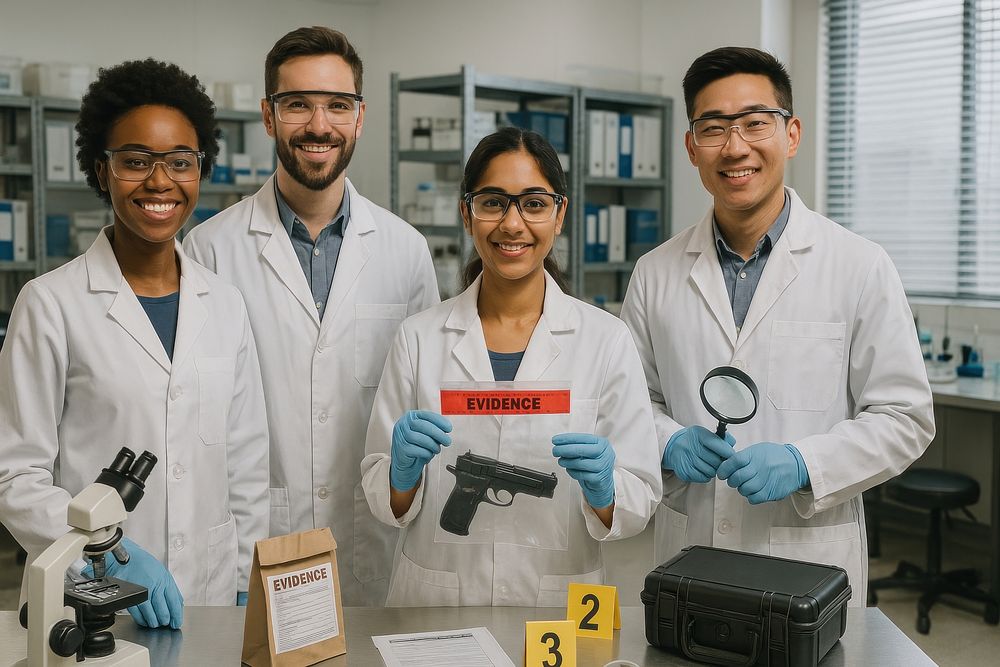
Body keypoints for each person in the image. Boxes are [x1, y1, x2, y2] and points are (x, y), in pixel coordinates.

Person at [620, 46, 935, 605]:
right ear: (691, 147)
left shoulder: (859, 266)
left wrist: (804, 462)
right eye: (713, 128)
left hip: (809, 557)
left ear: (791, 135)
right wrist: (668, 442)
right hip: (688, 551)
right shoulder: (654, 273)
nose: (735, 146)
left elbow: (905, 417)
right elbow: (629, 402)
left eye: (755, 123)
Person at [0, 59, 269, 628]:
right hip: (87, 597)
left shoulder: (225, 304)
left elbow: (244, 461)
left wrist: (248, 580)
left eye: (179, 162)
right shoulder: (50, 304)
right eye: (135, 161)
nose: (159, 181)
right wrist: (108, 548)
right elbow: (14, 477)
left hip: (207, 594)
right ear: (102, 171)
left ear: (201, 169)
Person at [183, 26, 438, 607]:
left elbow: (419, 404)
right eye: (297, 103)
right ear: (269, 116)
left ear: (360, 117)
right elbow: (198, 425)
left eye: (337, 105)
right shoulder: (210, 251)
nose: (319, 125)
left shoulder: (405, 250)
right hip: (260, 543)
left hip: (374, 540)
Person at [361, 127, 662, 607]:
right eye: (494, 202)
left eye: (535, 203)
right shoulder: (419, 338)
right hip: (437, 600)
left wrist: (607, 489)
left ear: (559, 214)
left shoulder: (605, 340)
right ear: (467, 212)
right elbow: (382, 496)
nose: (513, 224)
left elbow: (640, 498)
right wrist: (400, 476)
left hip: (556, 607)